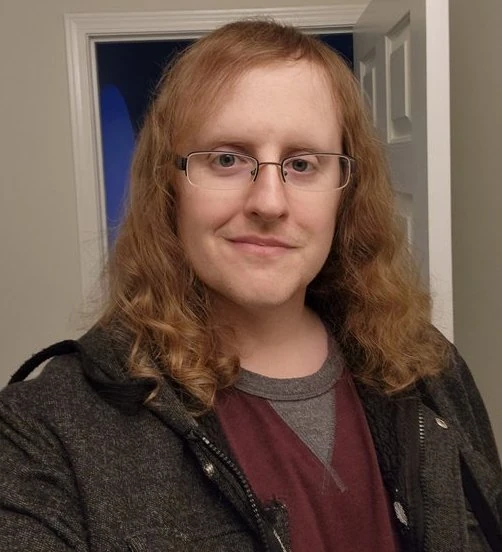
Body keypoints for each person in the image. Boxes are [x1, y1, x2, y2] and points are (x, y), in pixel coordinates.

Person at [1, 19, 501, 552]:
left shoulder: (426, 367)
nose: (269, 202)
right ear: (169, 186)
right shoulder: (44, 430)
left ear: (345, 193)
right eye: (227, 159)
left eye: (302, 163)